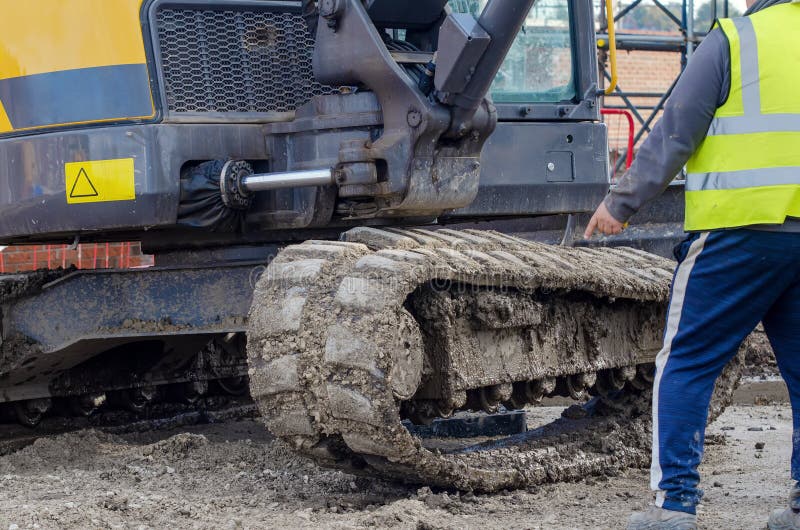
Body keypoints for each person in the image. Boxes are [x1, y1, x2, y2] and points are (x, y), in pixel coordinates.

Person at [584, 1, 800, 528]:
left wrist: (621, 203)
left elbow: (676, 133)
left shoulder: (736, 40)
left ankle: (674, 504)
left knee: (686, 361)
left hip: (739, 231)